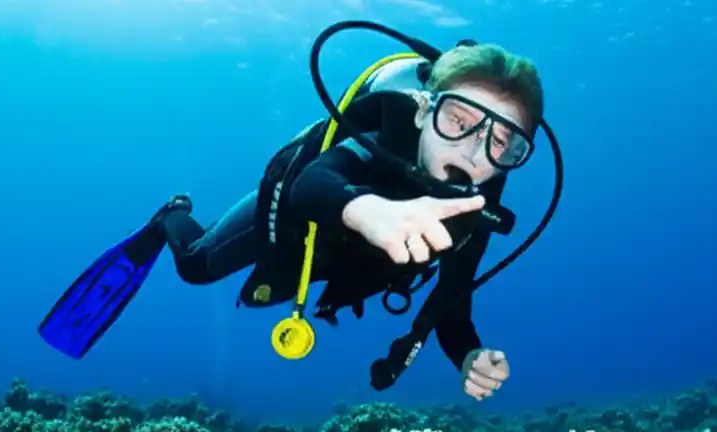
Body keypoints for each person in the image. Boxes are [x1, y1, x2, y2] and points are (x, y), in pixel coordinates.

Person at [40, 42, 544, 402]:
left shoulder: (477, 207)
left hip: (337, 260)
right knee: (196, 267)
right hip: (294, 212)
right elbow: (315, 183)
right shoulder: (385, 124)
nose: (476, 151)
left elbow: (452, 305)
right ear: (421, 111)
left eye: (504, 142)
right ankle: (173, 214)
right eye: (458, 121)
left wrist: (470, 357)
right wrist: (366, 208)